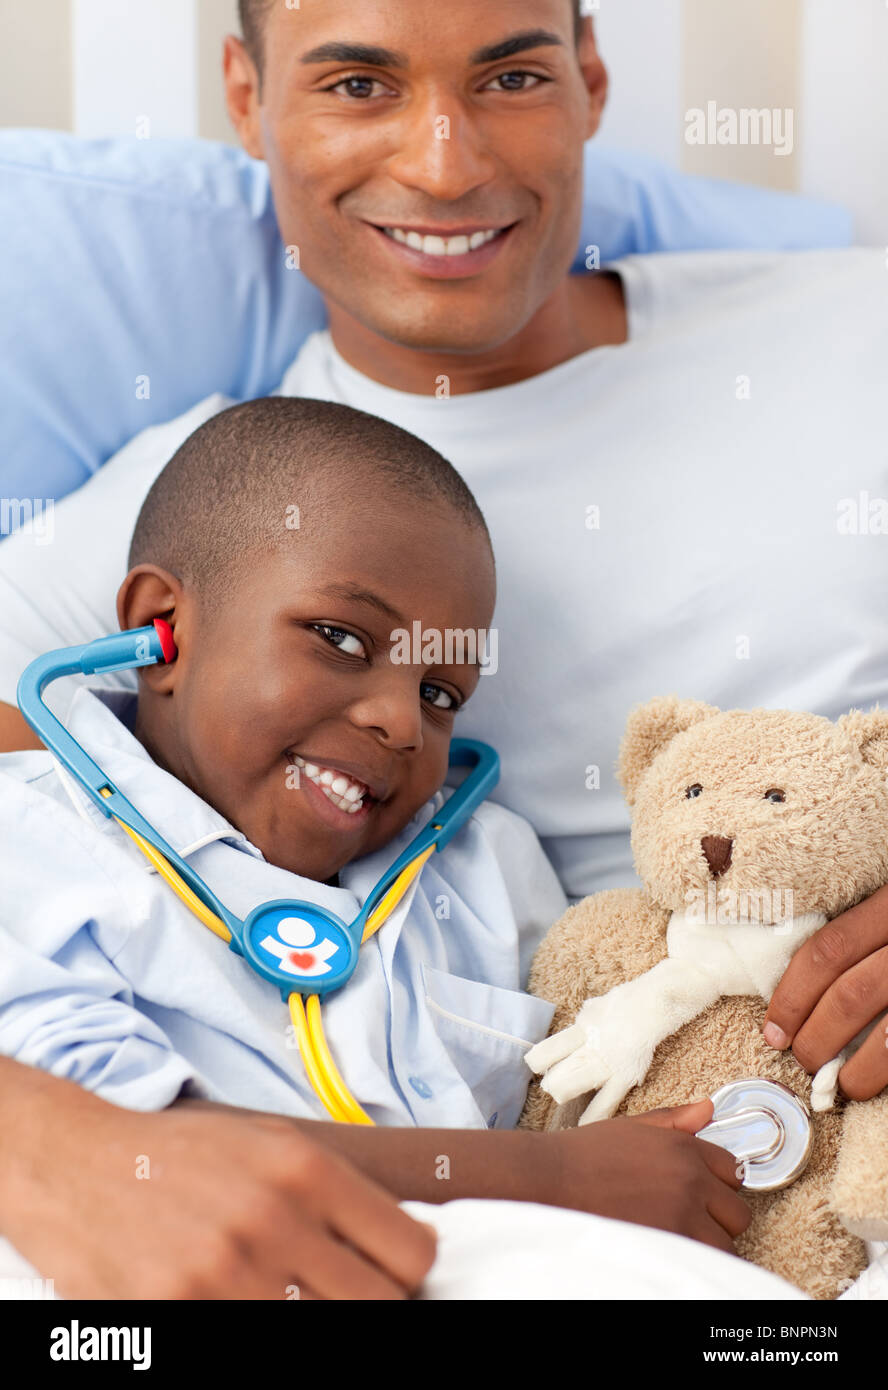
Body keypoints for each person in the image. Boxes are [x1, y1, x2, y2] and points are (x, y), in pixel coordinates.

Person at [0, 0, 883, 1296]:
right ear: (246, 100)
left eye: (510, 76)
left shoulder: (851, 329)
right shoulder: (211, 498)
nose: (444, 162)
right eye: (358, 83)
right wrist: (48, 1143)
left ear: (588, 79)